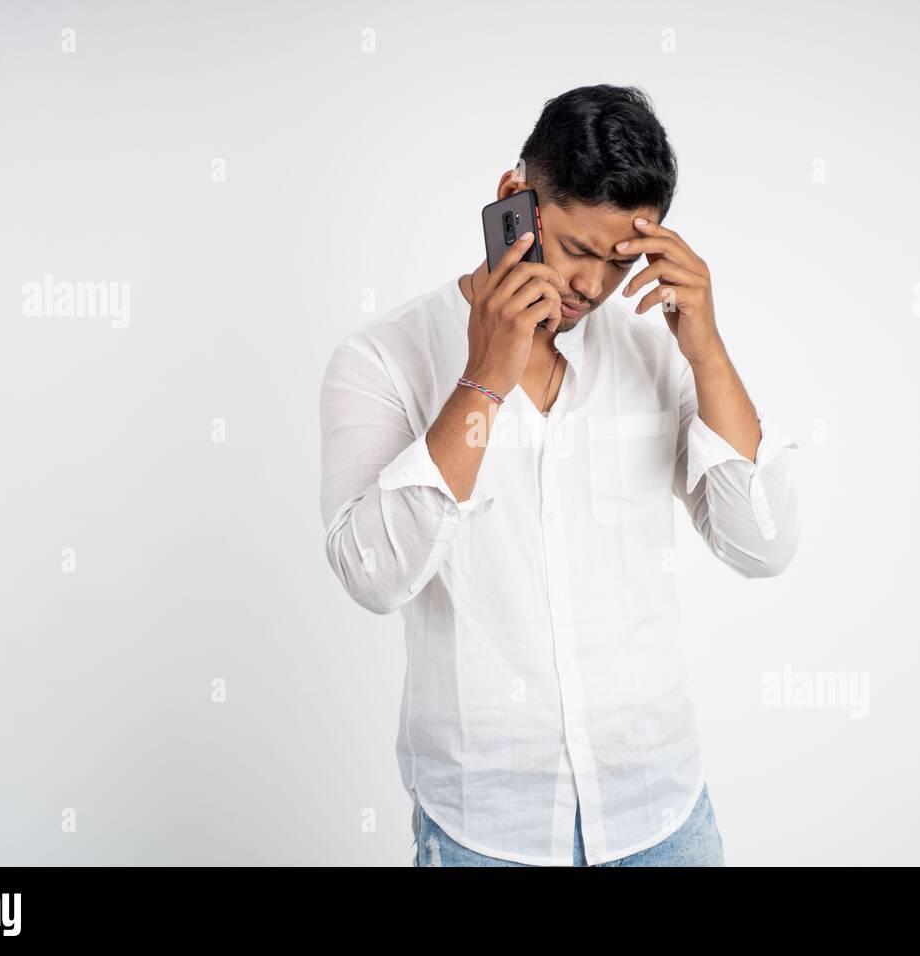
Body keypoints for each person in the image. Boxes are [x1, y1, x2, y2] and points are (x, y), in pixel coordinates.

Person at [319, 84, 799, 867]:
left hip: (661, 816)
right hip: (485, 829)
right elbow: (373, 576)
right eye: (577, 249)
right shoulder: (382, 359)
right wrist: (484, 378)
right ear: (514, 198)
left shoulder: (658, 350)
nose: (592, 287)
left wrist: (707, 349)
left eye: (619, 262)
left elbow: (763, 545)